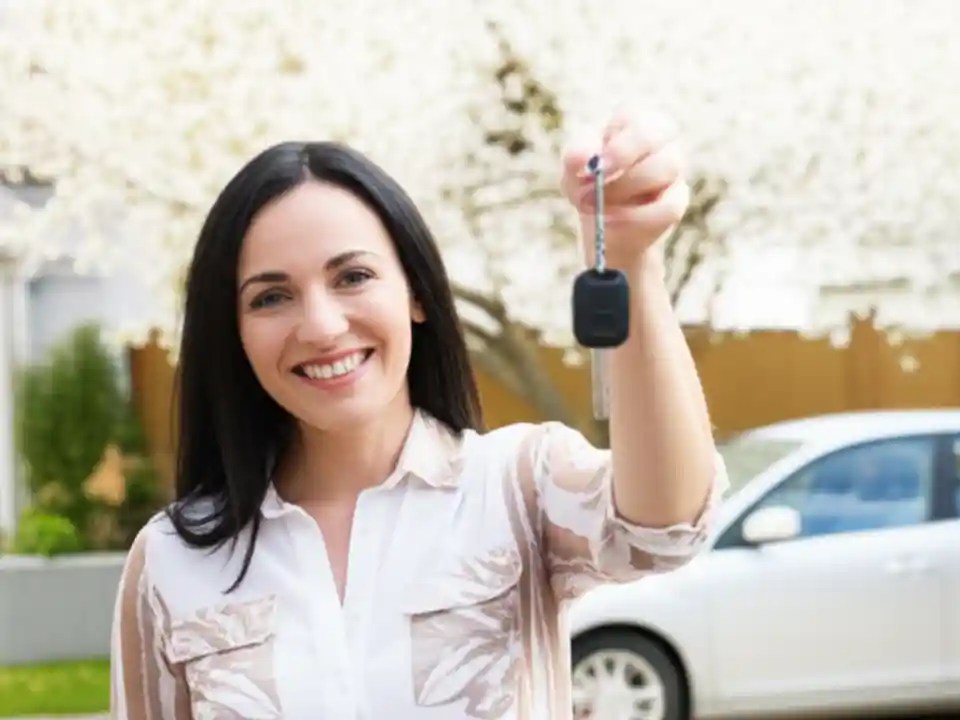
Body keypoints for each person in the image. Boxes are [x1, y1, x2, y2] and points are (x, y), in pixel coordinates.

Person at [108, 109, 726, 720]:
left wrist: (631, 258)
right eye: (272, 297)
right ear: (233, 332)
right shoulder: (170, 560)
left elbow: (662, 531)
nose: (322, 326)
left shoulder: (516, 487)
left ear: (417, 294)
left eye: (353, 276)